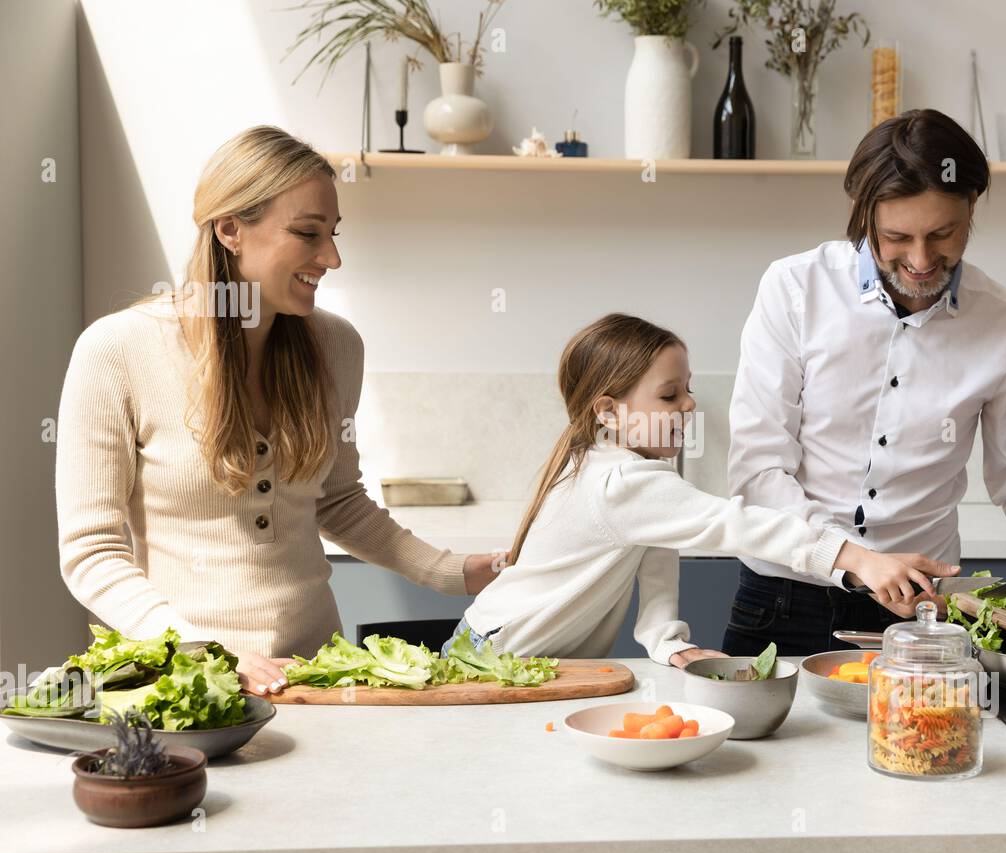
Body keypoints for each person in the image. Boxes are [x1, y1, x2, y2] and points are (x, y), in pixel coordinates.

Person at [55, 126, 500, 696]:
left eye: (333, 235)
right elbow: (92, 552)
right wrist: (203, 651)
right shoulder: (116, 350)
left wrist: (451, 571)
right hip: (187, 683)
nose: (332, 257)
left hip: (318, 676)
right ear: (231, 229)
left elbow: (339, 501)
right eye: (307, 234)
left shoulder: (338, 347)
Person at [725, 108, 1006, 657]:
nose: (923, 260)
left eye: (943, 234)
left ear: (970, 208)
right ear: (864, 219)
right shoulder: (794, 290)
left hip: (924, 613)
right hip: (783, 601)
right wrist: (854, 559)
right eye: (897, 237)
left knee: (928, 746)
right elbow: (758, 470)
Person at [449, 312, 956, 668]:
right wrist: (857, 558)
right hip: (498, 657)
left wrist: (665, 641)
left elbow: (652, 558)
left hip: (501, 646)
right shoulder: (621, 480)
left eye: (687, 389)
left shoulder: (618, 468)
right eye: (670, 395)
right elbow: (737, 525)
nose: (690, 405)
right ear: (609, 410)